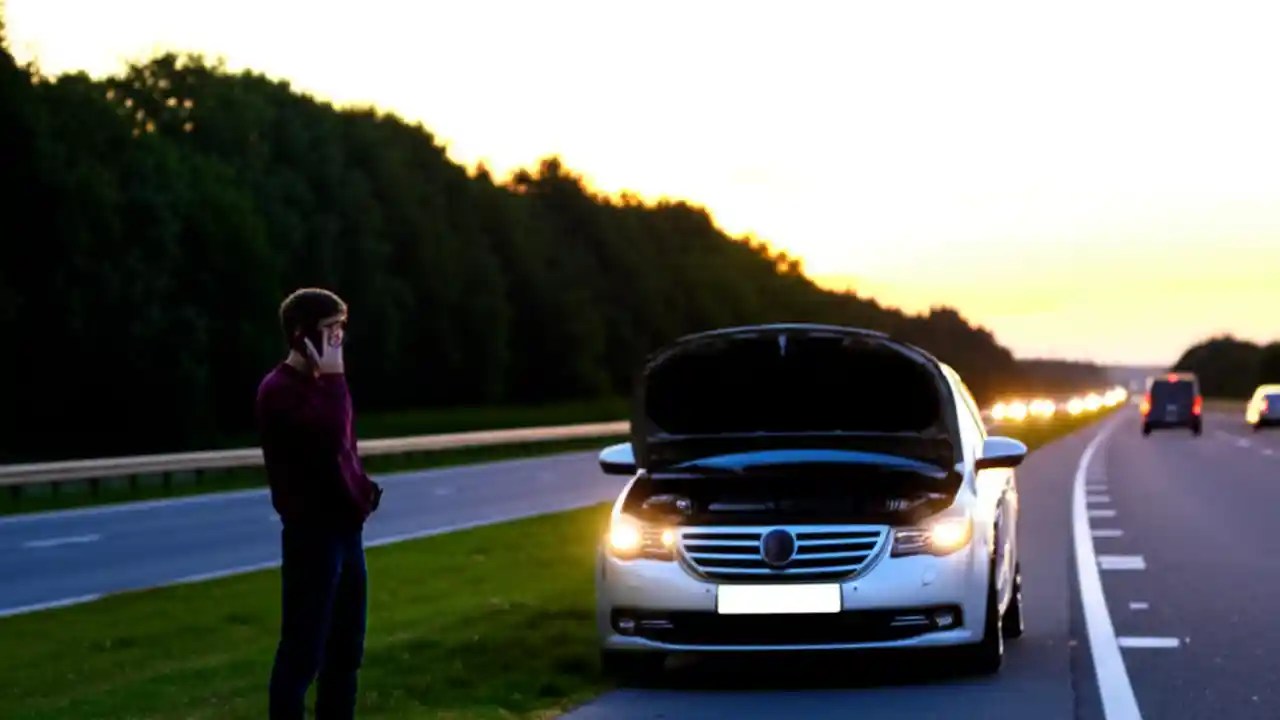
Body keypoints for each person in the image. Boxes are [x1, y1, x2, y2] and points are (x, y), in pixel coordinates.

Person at [257, 287, 383, 720]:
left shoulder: (327, 386)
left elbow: (346, 450)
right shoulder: (279, 390)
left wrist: (362, 490)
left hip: (347, 533)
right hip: (312, 537)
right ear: (300, 335)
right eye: (330, 332)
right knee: (302, 654)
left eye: (341, 332)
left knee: (345, 653)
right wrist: (334, 378)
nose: (337, 343)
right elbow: (328, 436)